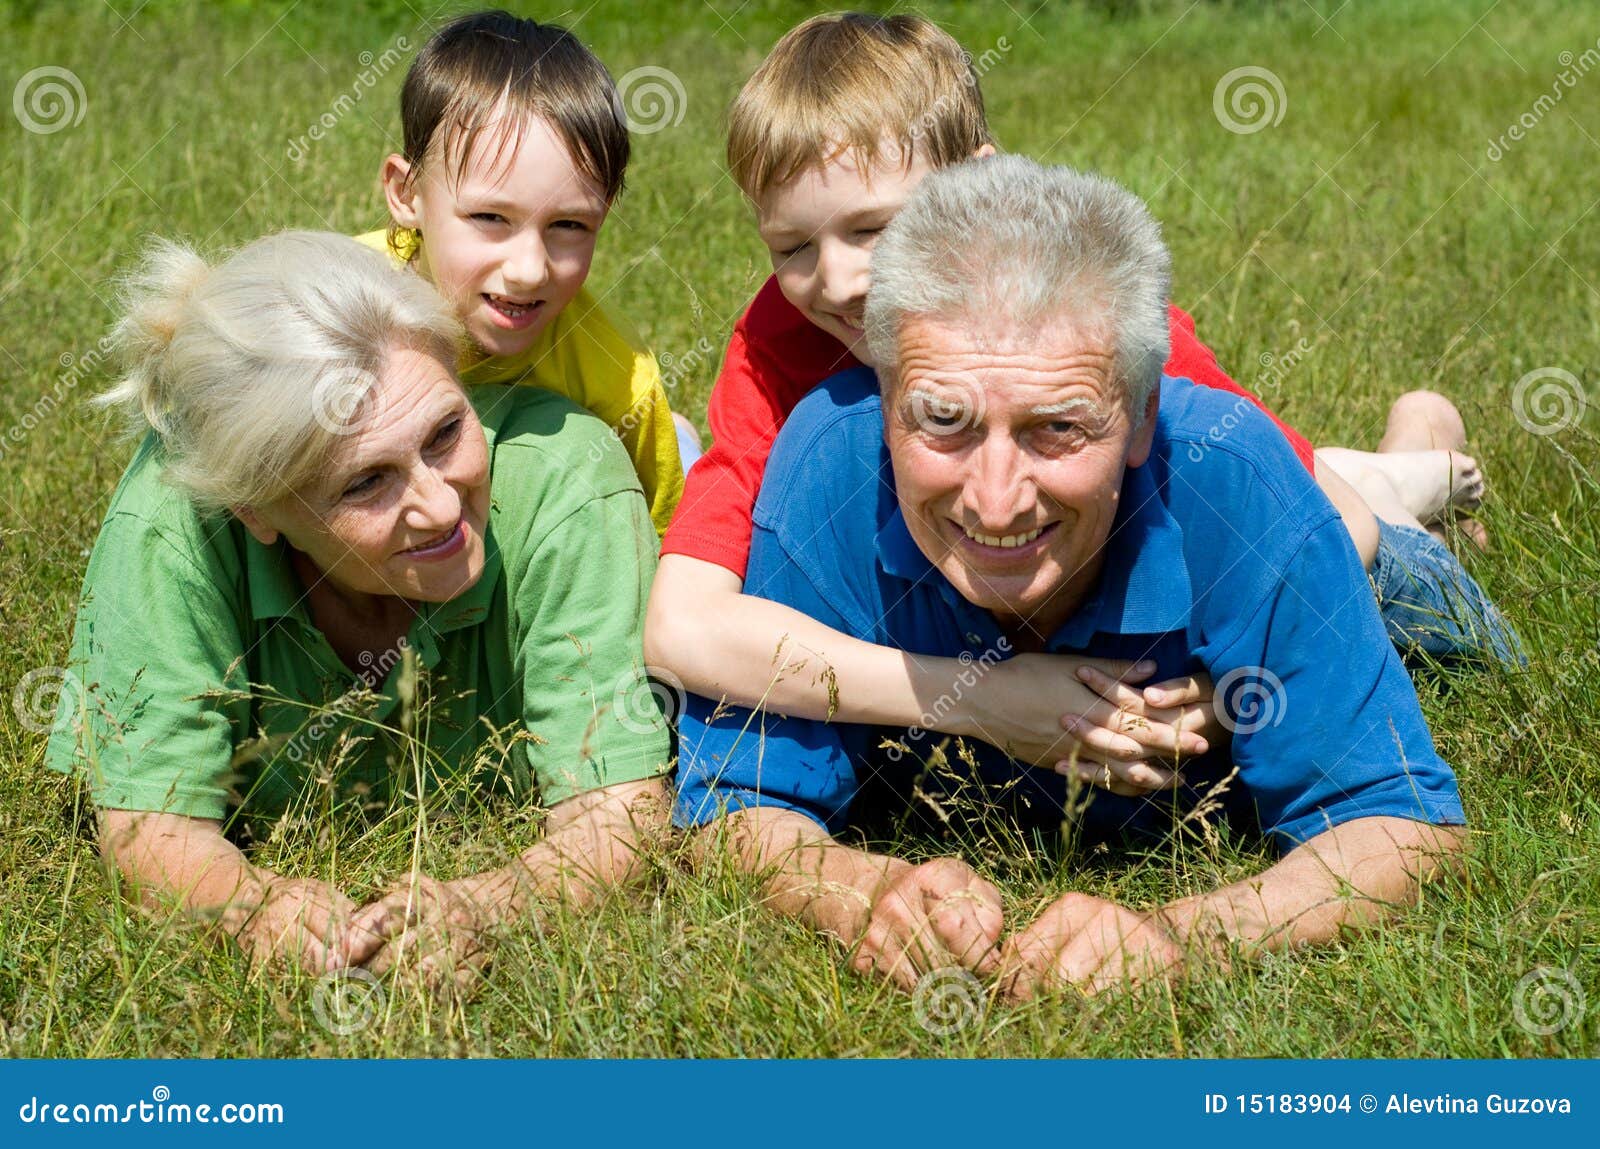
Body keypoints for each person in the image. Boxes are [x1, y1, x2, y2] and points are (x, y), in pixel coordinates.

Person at [648, 12, 1515, 805]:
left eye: (875, 230)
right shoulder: (778, 345)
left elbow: (1333, 527)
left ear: (979, 184)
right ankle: (1410, 454)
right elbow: (683, 628)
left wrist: (1220, 698)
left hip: (1332, 539)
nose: (837, 281)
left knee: (1414, 580)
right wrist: (982, 700)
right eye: (793, 246)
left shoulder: (1083, 324)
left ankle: (1423, 458)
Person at [673, 157, 1473, 998]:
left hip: (1365, 559)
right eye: (944, 420)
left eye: (1057, 427)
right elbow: (729, 805)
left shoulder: (1237, 480)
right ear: (887, 389)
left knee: (1418, 578)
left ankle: (1421, 439)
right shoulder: (830, 465)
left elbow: (1402, 823)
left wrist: (1177, 937)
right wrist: (859, 893)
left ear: (1138, 419)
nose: (994, 500)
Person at [45, 231, 672, 994]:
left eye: (446, 432)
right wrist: (257, 908)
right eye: (367, 482)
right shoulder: (171, 525)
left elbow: (620, 819)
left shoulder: (570, 482)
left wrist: (482, 907)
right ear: (255, 507)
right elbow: (149, 830)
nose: (441, 504)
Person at [357, 9, 699, 538]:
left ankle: (686, 444)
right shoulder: (332, 305)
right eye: (491, 218)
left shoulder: (618, 379)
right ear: (407, 194)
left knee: (681, 458)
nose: (528, 270)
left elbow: (670, 540)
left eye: (568, 225)